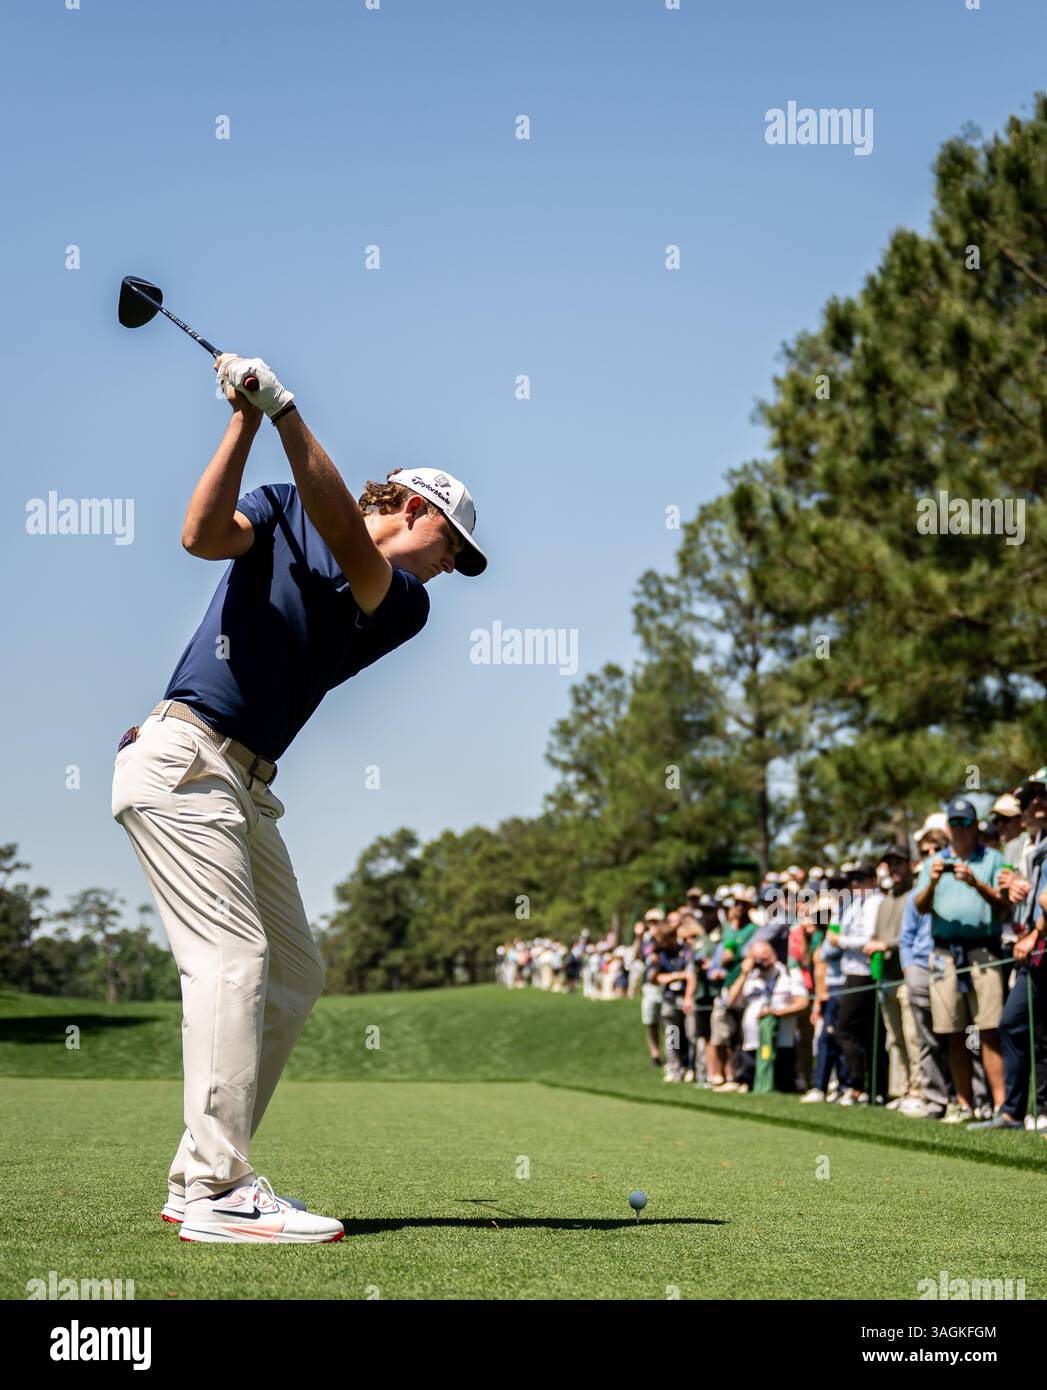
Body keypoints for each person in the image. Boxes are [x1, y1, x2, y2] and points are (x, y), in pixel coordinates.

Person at [111, 354, 487, 1243]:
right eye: (451, 551)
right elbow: (200, 535)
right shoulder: (279, 508)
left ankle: (198, 1170)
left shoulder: (399, 602)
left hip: (243, 785)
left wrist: (283, 408)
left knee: (295, 971)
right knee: (234, 959)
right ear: (417, 511)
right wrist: (246, 418)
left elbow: (349, 543)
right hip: (184, 760)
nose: (446, 571)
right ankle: (216, 1189)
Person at [913, 796, 1006, 1123]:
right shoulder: (931, 863)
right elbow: (921, 907)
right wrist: (935, 879)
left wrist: (975, 883)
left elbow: (1003, 906)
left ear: (975, 825)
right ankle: (964, 1104)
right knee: (953, 1032)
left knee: (989, 1030)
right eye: (954, 822)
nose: (960, 829)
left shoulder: (992, 859)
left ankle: (1001, 1107)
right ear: (948, 827)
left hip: (983, 951)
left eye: (966, 822)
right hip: (945, 954)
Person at [725, 940, 809, 1093]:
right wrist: (744, 973)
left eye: (766, 958)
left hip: (782, 1043)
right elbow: (730, 1001)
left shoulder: (788, 972)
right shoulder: (750, 976)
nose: (762, 963)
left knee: (782, 1086)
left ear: (774, 955)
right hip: (752, 1044)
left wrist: (776, 1013)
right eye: (758, 959)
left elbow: (803, 1003)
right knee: (752, 1086)